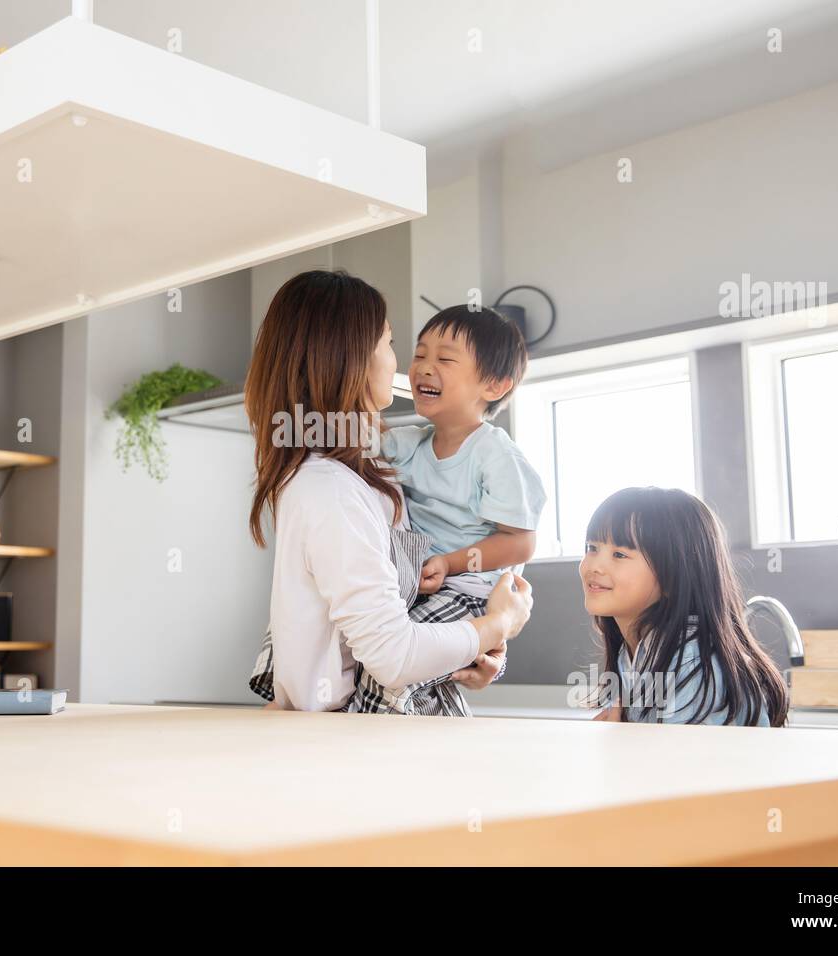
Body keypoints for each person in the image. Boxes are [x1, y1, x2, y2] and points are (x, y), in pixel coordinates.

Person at [244, 270, 533, 713]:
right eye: (393, 343)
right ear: (351, 357)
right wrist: (500, 624)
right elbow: (394, 656)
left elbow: (397, 628)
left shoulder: (376, 470)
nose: (412, 366)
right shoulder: (328, 490)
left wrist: (478, 652)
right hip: (352, 728)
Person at [582, 487, 789, 726]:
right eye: (592, 548)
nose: (594, 566)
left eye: (619, 554)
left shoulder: (693, 661)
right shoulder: (629, 655)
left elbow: (680, 751)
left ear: (673, 577)